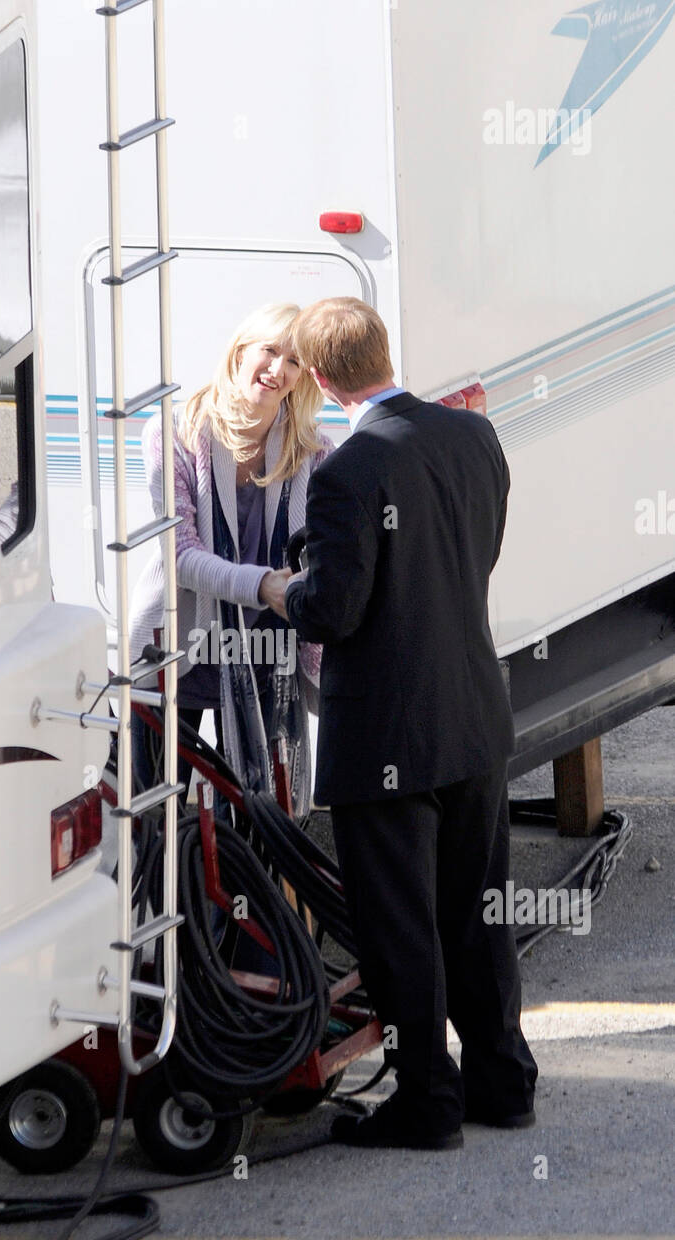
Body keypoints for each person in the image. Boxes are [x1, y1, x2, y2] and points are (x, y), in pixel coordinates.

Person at [271, 296, 538, 1150]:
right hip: (473, 717)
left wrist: (286, 588)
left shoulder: (348, 472)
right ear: (384, 353)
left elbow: (333, 613)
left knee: (401, 929)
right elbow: (469, 553)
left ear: (317, 380)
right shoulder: (475, 437)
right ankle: (503, 1081)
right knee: (477, 910)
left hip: (388, 734)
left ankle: (426, 1099)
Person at [129, 302, 332, 807]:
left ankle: (244, 886)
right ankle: (164, 887)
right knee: (155, 804)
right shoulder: (174, 432)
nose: (278, 370)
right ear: (241, 351)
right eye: (270, 351)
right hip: (180, 647)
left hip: (264, 649)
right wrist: (264, 585)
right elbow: (180, 554)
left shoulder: (311, 448)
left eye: (293, 362)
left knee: (259, 807)